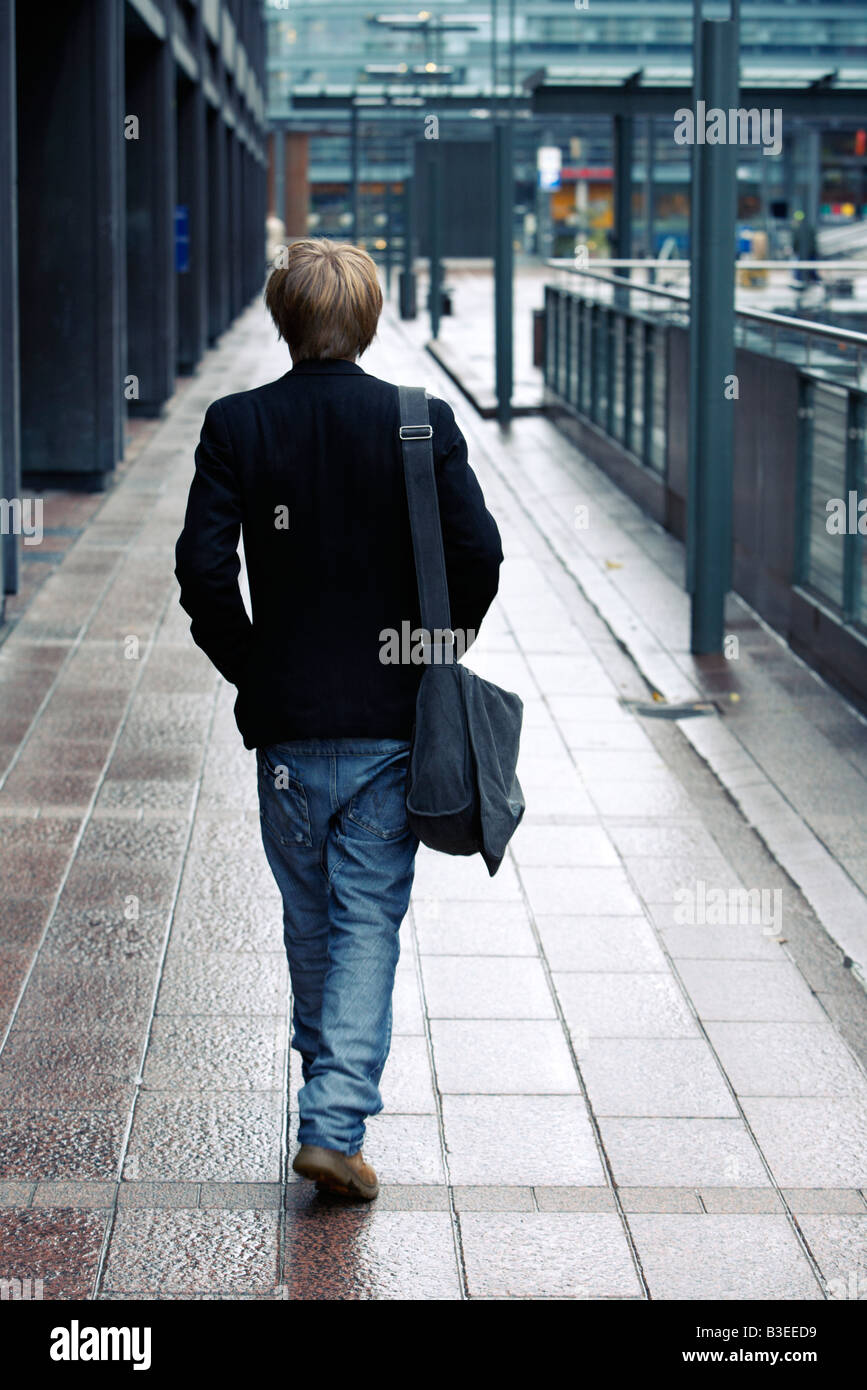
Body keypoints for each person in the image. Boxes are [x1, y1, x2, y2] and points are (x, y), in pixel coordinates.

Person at [174, 239, 503, 1200]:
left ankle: (331, 1107)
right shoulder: (417, 423)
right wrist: (435, 649)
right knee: (367, 922)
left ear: (284, 319)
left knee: (312, 921)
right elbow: (478, 552)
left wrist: (252, 667)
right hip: (392, 725)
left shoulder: (238, 423)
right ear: (366, 319)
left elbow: (201, 572)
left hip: (285, 730)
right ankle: (332, 1121)